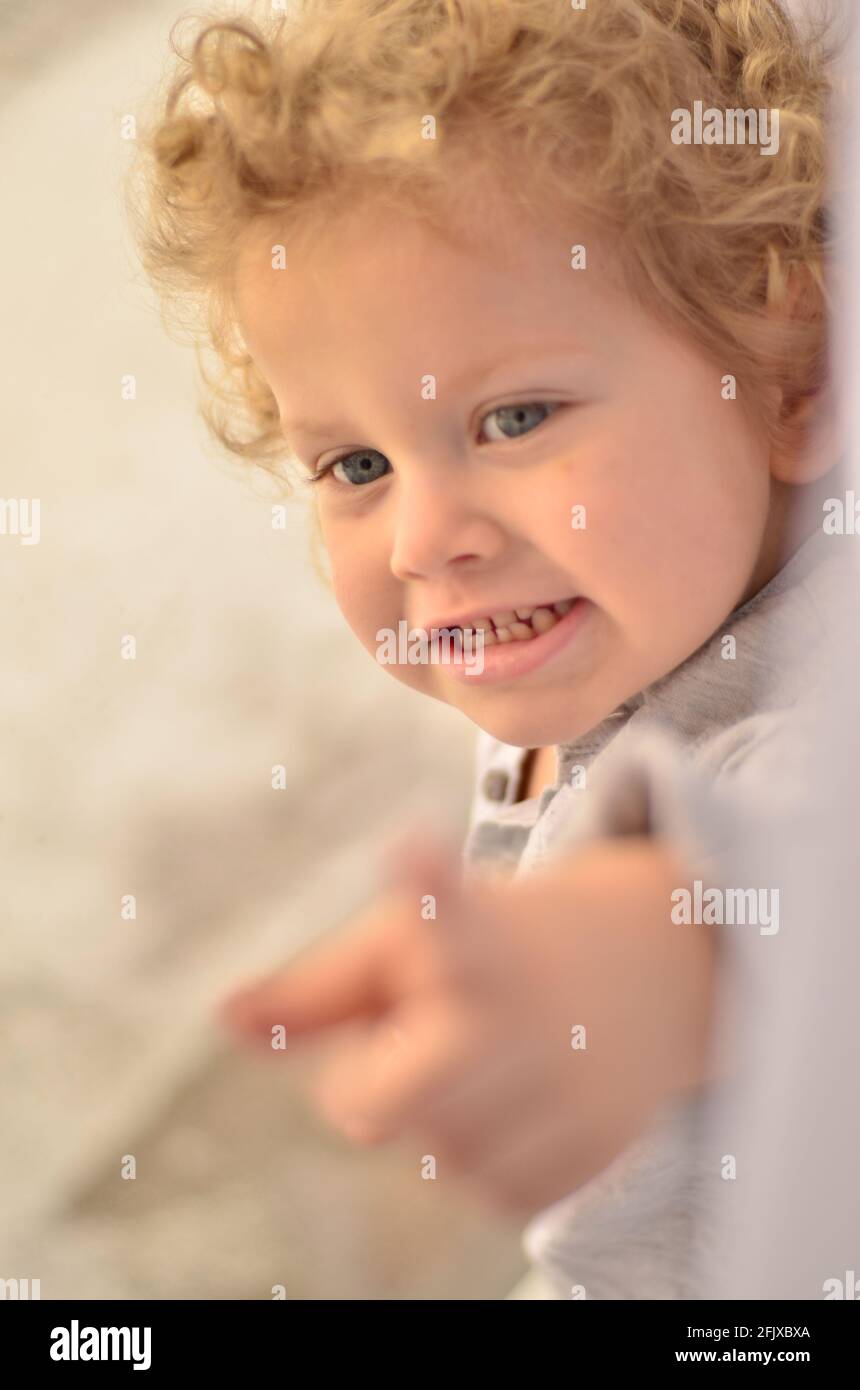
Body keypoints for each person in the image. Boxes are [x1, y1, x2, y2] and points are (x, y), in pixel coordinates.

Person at [128, 0, 842, 1297]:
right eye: (355, 464)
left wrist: (648, 960)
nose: (422, 536)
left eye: (512, 416)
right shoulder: (623, 622)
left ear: (794, 369)